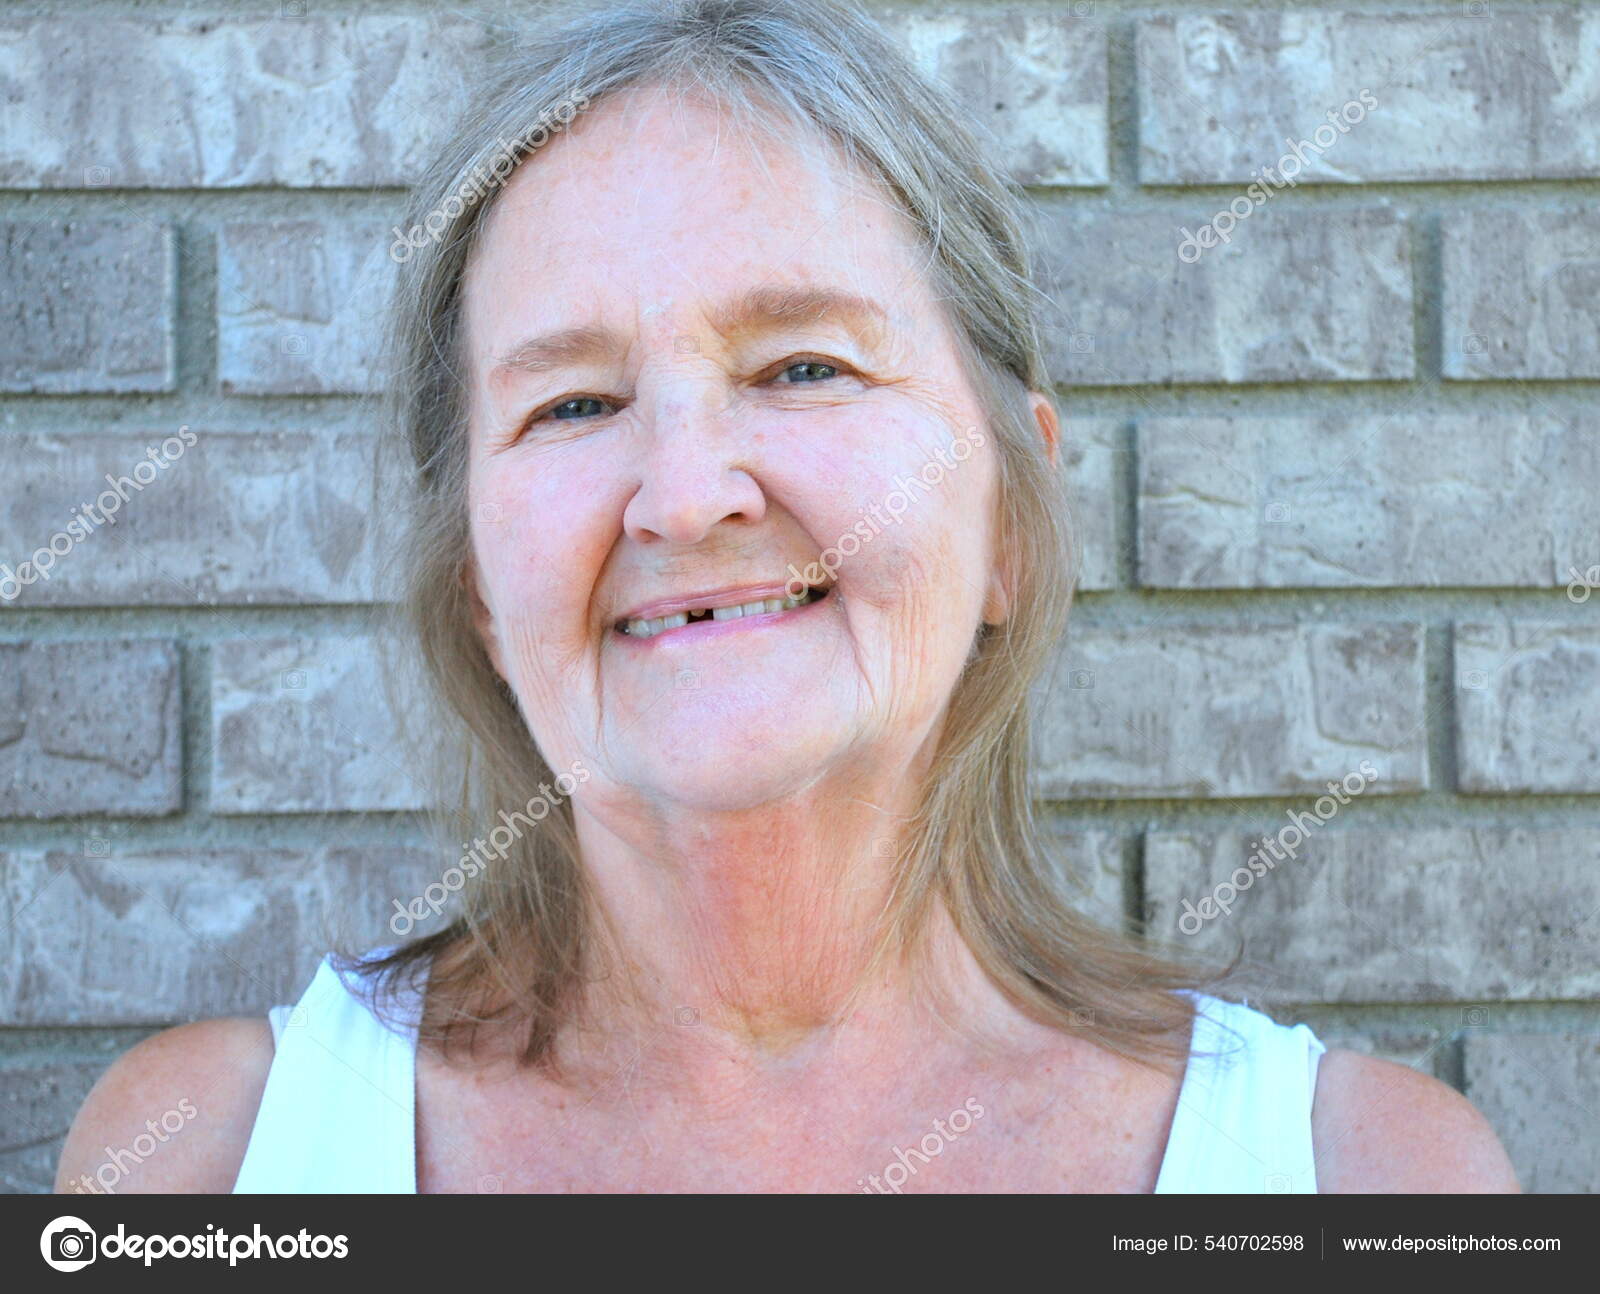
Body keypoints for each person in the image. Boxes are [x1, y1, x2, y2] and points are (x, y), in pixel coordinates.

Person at [58, 0, 1518, 1193]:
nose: (687, 494)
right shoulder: (201, 1166)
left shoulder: (1372, 1183)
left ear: (1012, 507)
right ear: (480, 591)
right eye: (572, 403)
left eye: (804, 365)